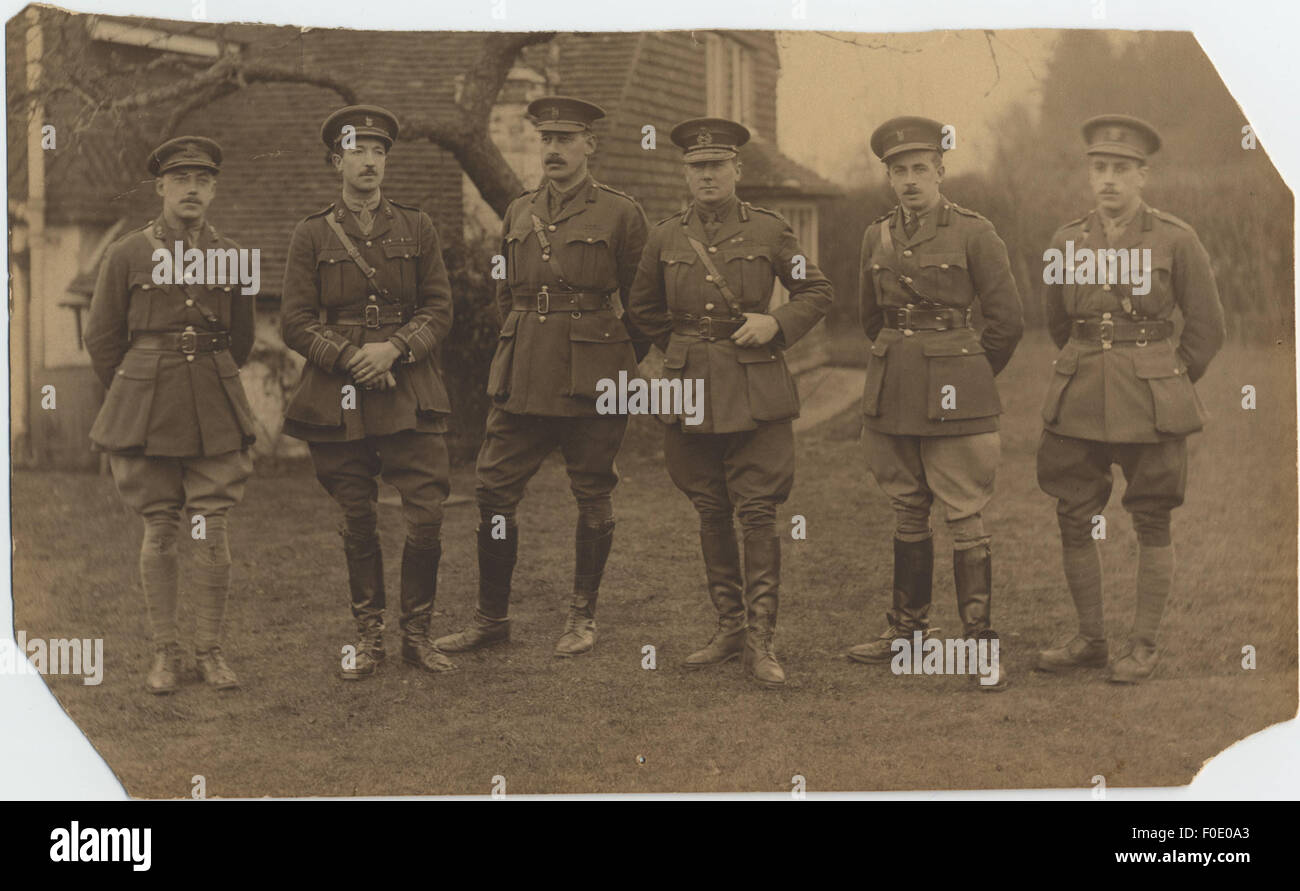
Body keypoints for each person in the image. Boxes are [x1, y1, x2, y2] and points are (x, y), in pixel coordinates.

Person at [434, 96, 651, 659]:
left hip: (594, 377)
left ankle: (582, 617)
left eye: (565, 139)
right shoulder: (518, 211)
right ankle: (491, 617)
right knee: (493, 492)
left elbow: (646, 306)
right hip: (524, 373)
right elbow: (506, 292)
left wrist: (615, 360)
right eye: (546, 139)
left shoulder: (621, 214)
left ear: (589, 146)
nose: (553, 149)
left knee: (593, 492)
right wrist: (526, 340)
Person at [628, 117, 833, 687]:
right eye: (697, 167)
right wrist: (684, 352)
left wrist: (775, 323)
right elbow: (642, 309)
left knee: (759, 509)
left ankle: (762, 641)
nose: (707, 175)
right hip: (689, 388)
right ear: (685, 173)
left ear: (737, 170)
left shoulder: (769, 230)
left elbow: (817, 290)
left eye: (717, 165)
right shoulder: (665, 236)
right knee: (710, 508)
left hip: (757, 386)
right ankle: (729, 628)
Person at [1035, 114, 1225, 684]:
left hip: (1151, 401)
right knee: (1073, 516)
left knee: (1152, 518)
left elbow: (1208, 327)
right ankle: (1091, 640)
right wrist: (1086, 363)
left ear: (1143, 175)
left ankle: (1142, 646)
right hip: (1080, 397)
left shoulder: (1175, 238)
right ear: (1089, 175)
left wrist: (1169, 377)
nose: (1109, 179)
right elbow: (1055, 320)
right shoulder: (1066, 240)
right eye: (1099, 168)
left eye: (1121, 168)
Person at [846, 116, 1023, 691]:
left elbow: (1006, 321)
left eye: (921, 168)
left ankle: (978, 642)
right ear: (888, 178)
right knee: (905, 506)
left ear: (940, 171)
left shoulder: (975, 232)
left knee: (964, 510)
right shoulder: (876, 236)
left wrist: (968, 374)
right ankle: (907, 633)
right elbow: (870, 316)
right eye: (899, 170)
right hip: (893, 385)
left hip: (956, 392)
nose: (910, 179)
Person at [280, 105, 457, 679]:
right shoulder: (311, 234)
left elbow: (439, 309)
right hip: (340, 396)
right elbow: (295, 321)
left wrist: (394, 351)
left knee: (426, 514)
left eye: (379, 152)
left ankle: (418, 635)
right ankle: (370, 636)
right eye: (358, 151)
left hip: (410, 386)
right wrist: (355, 358)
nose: (369, 162)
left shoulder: (417, 226)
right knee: (357, 517)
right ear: (337, 160)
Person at [85, 136, 257, 694]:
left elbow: (243, 339)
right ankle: (166, 652)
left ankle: (210, 651)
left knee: (211, 526)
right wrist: (138, 389)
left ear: (214, 189)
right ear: (160, 187)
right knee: (159, 526)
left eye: (202, 180)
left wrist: (203, 379)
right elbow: (102, 339)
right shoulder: (127, 254)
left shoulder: (234, 254)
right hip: (146, 405)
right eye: (181, 179)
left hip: (212, 402)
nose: (192, 189)